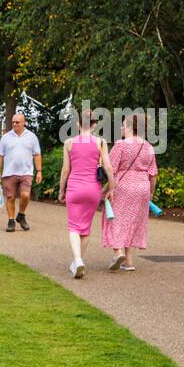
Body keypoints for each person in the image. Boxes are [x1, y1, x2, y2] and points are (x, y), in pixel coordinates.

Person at [58, 110, 115, 279]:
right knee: (85, 229)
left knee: (73, 227)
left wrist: (61, 190)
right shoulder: (101, 142)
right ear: (94, 124)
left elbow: (66, 169)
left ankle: (77, 260)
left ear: (77, 124)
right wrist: (111, 187)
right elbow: (108, 168)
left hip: (74, 188)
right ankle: (78, 261)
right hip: (93, 189)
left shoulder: (68, 143)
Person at [103, 114, 159, 272]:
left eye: (122, 125)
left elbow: (110, 169)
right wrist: (150, 194)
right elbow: (153, 174)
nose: (120, 128)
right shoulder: (148, 146)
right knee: (133, 222)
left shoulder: (120, 144)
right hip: (143, 187)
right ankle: (128, 261)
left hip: (123, 186)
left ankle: (117, 252)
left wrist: (107, 189)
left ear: (129, 127)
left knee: (115, 218)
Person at [0, 112, 42, 232]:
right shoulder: (6, 137)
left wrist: (39, 171)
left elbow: (37, 154)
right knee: (10, 197)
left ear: (24, 122)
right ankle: (11, 221)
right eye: (13, 122)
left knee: (25, 195)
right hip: (9, 172)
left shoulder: (31, 136)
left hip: (26, 172)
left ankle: (21, 215)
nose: (15, 124)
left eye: (17, 122)